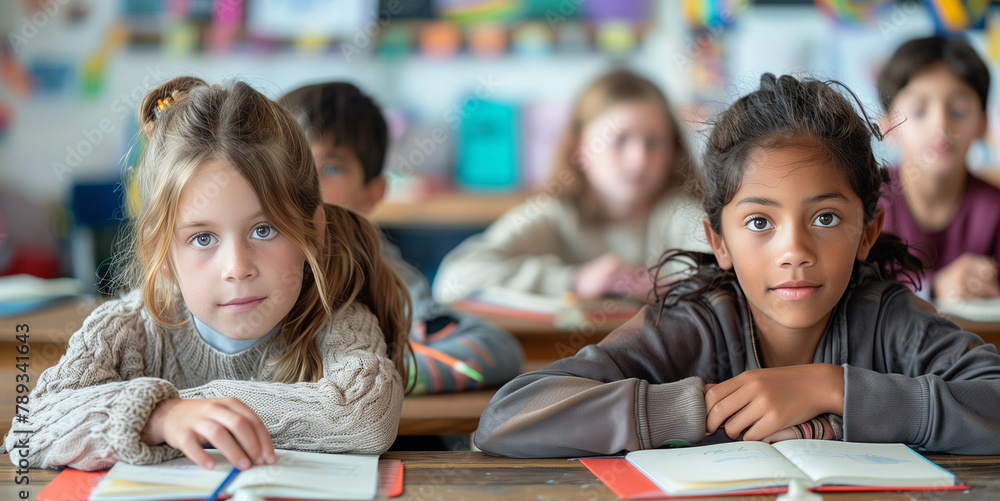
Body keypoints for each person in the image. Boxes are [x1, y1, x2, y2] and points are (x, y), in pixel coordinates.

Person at [475, 73, 1000, 458]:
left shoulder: (888, 320)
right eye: (758, 223)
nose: (794, 250)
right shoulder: (691, 325)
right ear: (717, 241)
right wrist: (695, 408)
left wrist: (829, 388)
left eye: (824, 217)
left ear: (866, 233)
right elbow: (508, 418)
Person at [4, 76, 412, 471]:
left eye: (264, 229)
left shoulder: (334, 317)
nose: (237, 268)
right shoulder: (129, 329)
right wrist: (161, 418)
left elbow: (366, 416)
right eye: (202, 238)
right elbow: (28, 430)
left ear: (314, 230)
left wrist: (199, 406)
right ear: (161, 253)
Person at [280, 82, 523, 395]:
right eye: (290, 164)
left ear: (373, 192)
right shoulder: (243, 254)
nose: (306, 184)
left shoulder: (382, 271)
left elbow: (497, 352)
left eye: (330, 167)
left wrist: (390, 375)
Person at [432, 68, 707, 304]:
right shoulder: (554, 214)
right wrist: (574, 280)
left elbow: (727, 276)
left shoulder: (681, 212)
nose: (639, 160)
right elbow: (454, 279)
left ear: (674, 149)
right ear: (580, 147)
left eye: (654, 142)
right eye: (620, 140)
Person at [877, 35, 1000, 302]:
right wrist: (934, 289)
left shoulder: (995, 208)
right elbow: (854, 295)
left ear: (983, 124)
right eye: (920, 111)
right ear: (887, 127)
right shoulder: (865, 204)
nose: (941, 125)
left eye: (958, 111)